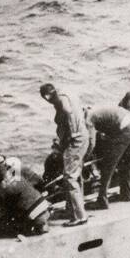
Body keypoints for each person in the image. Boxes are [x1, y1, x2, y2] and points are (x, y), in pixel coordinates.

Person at [39, 84, 92, 225]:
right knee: (75, 175)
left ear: (47, 96)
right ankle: (74, 210)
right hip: (82, 138)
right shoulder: (67, 94)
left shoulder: (61, 100)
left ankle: (79, 216)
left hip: (75, 141)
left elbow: (68, 112)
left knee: (70, 177)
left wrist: (71, 134)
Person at [85, 103, 130, 206]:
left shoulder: (88, 118)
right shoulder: (97, 109)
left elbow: (91, 143)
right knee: (127, 162)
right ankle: (127, 194)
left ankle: (102, 200)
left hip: (125, 128)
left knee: (108, 165)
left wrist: (85, 157)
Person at [0, 156, 50, 236]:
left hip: (32, 211)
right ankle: (41, 224)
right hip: (42, 205)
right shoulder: (16, 170)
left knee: (6, 222)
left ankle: (37, 224)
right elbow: (37, 181)